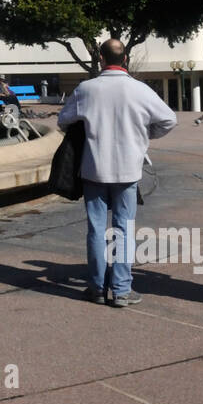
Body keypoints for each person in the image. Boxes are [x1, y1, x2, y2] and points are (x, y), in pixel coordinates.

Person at [57, 38, 177, 306]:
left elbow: (63, 121)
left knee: (96, 229)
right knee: (124, 228)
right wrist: (145, 135)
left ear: (101, 58)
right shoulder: (140, 90)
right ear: (126, 60)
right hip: (128, 169)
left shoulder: (86, 89)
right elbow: (169, 119)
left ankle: (97, 287)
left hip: (94, 168)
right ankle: (122, 289)